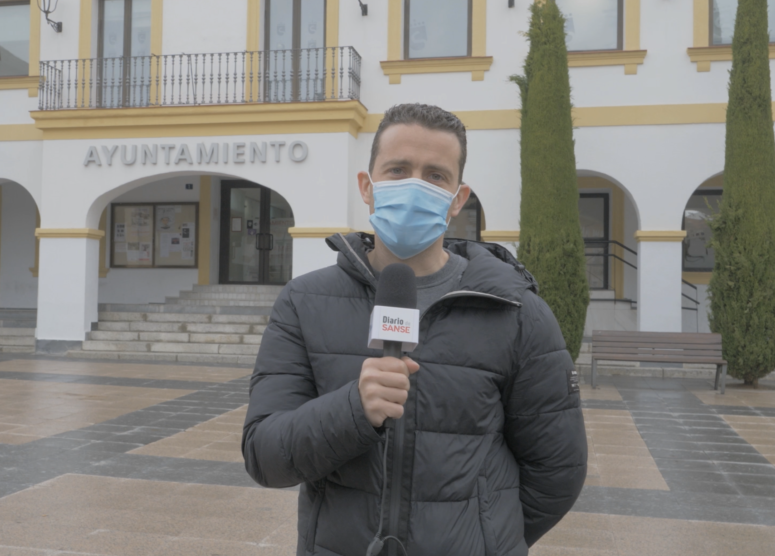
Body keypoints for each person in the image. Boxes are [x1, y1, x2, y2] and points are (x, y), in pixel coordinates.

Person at [242, 103, 587, 556]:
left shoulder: (518, 311)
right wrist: (352, 410)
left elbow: (557, 469)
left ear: (458, 198)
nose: (415, 187)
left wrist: (487, 539)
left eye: (435, 176)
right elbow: (265, 455)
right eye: (398, 170)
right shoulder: (303, 303)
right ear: (367, 187)